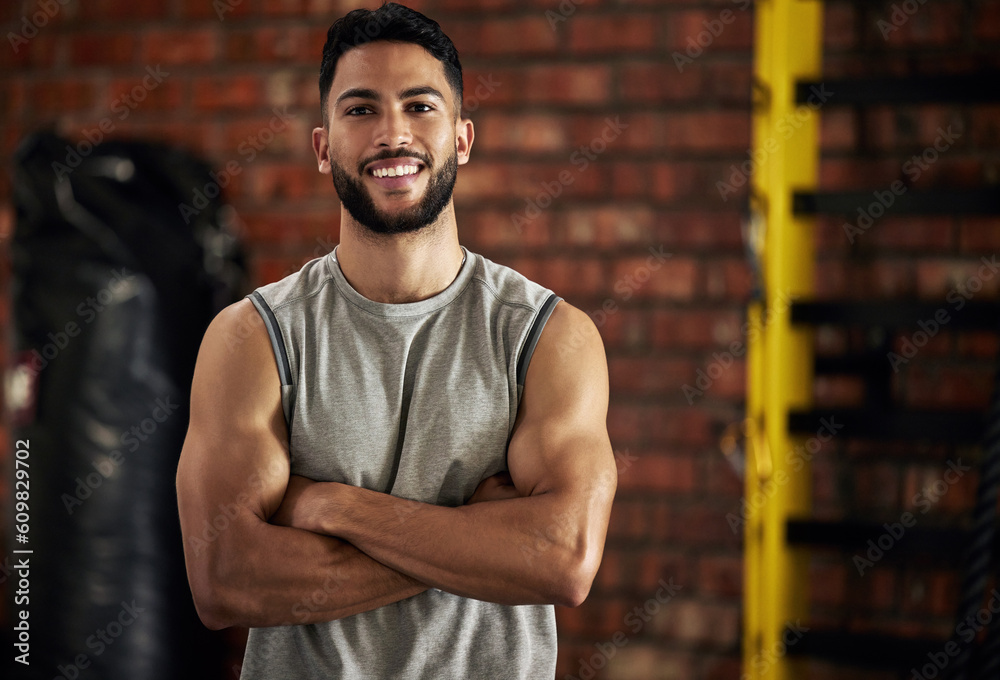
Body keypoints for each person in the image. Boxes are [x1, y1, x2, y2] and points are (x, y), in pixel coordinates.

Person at [175, 3, 617, 678]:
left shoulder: (549, 337)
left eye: (420, 106)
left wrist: (335, 506)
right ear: (323, 148)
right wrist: (477, 535)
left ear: (462, 139)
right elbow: (225, 581)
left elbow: (562, 560)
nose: (392, 134)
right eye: (360, 110)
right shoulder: (254, 338)